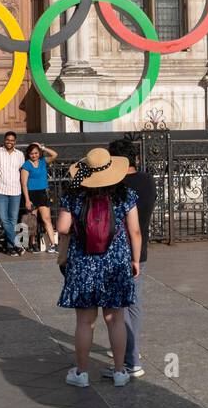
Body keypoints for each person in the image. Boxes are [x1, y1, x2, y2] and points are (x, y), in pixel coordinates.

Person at [56, 148, 143, 389]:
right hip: (116, 262)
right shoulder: (126, 195)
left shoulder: (73, 195)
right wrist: (135, 260)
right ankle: (119, 372)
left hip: (83, 263)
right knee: (115, 319)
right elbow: (135, 231)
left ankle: (81, 373)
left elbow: (63, 228)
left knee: (85, 321)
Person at [102, 139, 156, 380]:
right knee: (134, 304)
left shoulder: (115, 185)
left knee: (117, 309)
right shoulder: (147, 181)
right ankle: (132, 352)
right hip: (140, 250)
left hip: (116, 252)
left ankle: (130, 361)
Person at [0, 131, 26, 254]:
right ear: (4, 140)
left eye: (12, 140)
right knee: (3, 219)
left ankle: (10, 247)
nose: (9, 142)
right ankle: (17, 244)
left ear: (15, 142)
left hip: (16, 190)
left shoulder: (20, 154)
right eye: (8, 139)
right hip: (0, 190)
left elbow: (23, 171)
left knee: (13, 220)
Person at [20, 142, 59, 253]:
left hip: (42, 193)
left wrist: (43, 147)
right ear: (28, 154)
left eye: (36, 153)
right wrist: (27, 200)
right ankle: (32, 243)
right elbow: (24, 184)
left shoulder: (42, 162)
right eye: (32, 153)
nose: (34, 155)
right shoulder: (26, 165)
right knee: (32, 221)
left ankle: (53, 244)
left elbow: (55, 155)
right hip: (31, 194)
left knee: (47, 219)